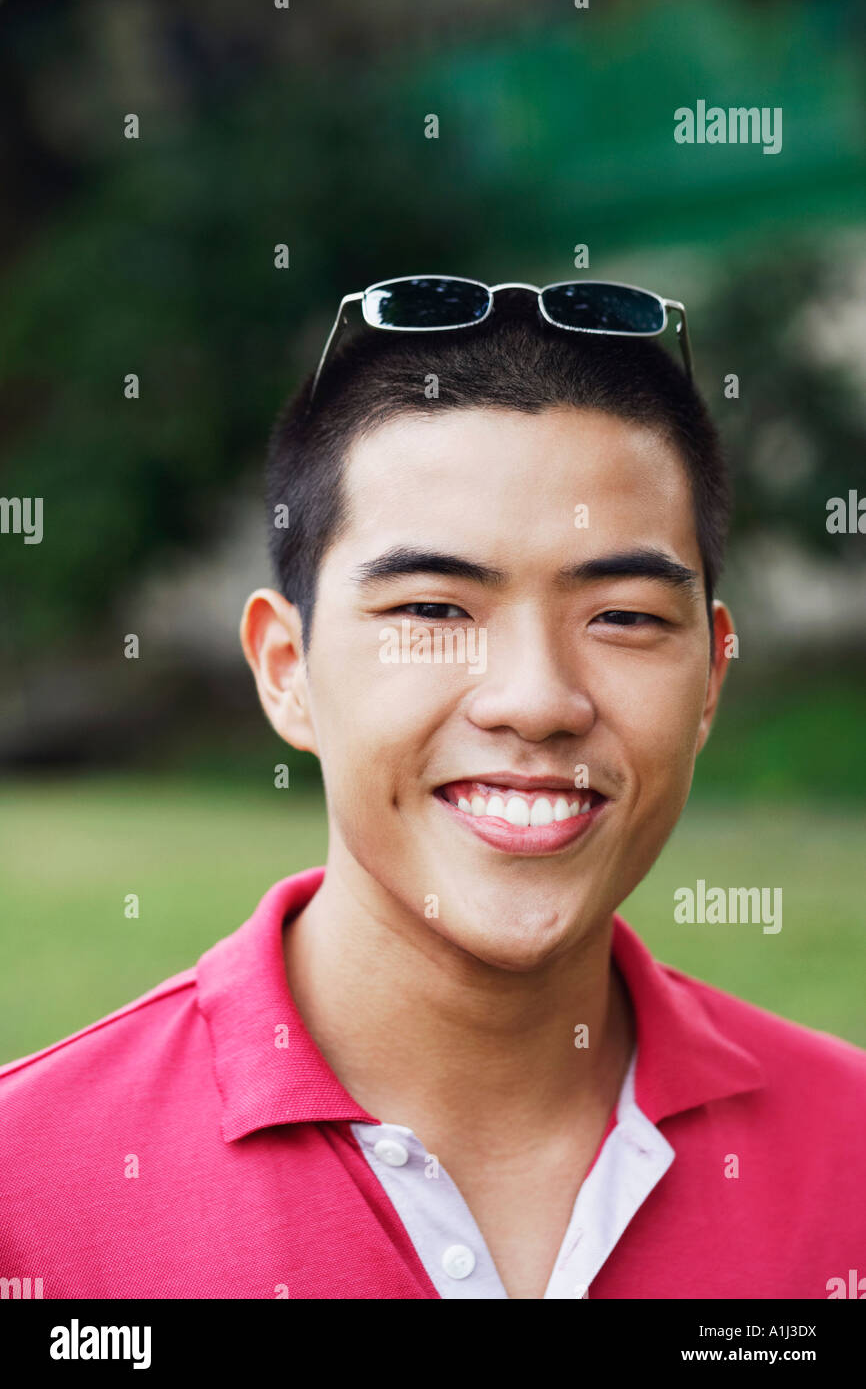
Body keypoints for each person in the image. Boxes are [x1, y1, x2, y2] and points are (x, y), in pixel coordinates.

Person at [1, 281, 864, 1301]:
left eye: (622, 616)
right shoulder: (30, 1192)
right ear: (286, 668)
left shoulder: (843, 1151)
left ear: (710, 680)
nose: (535, 700)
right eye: (432, 608)